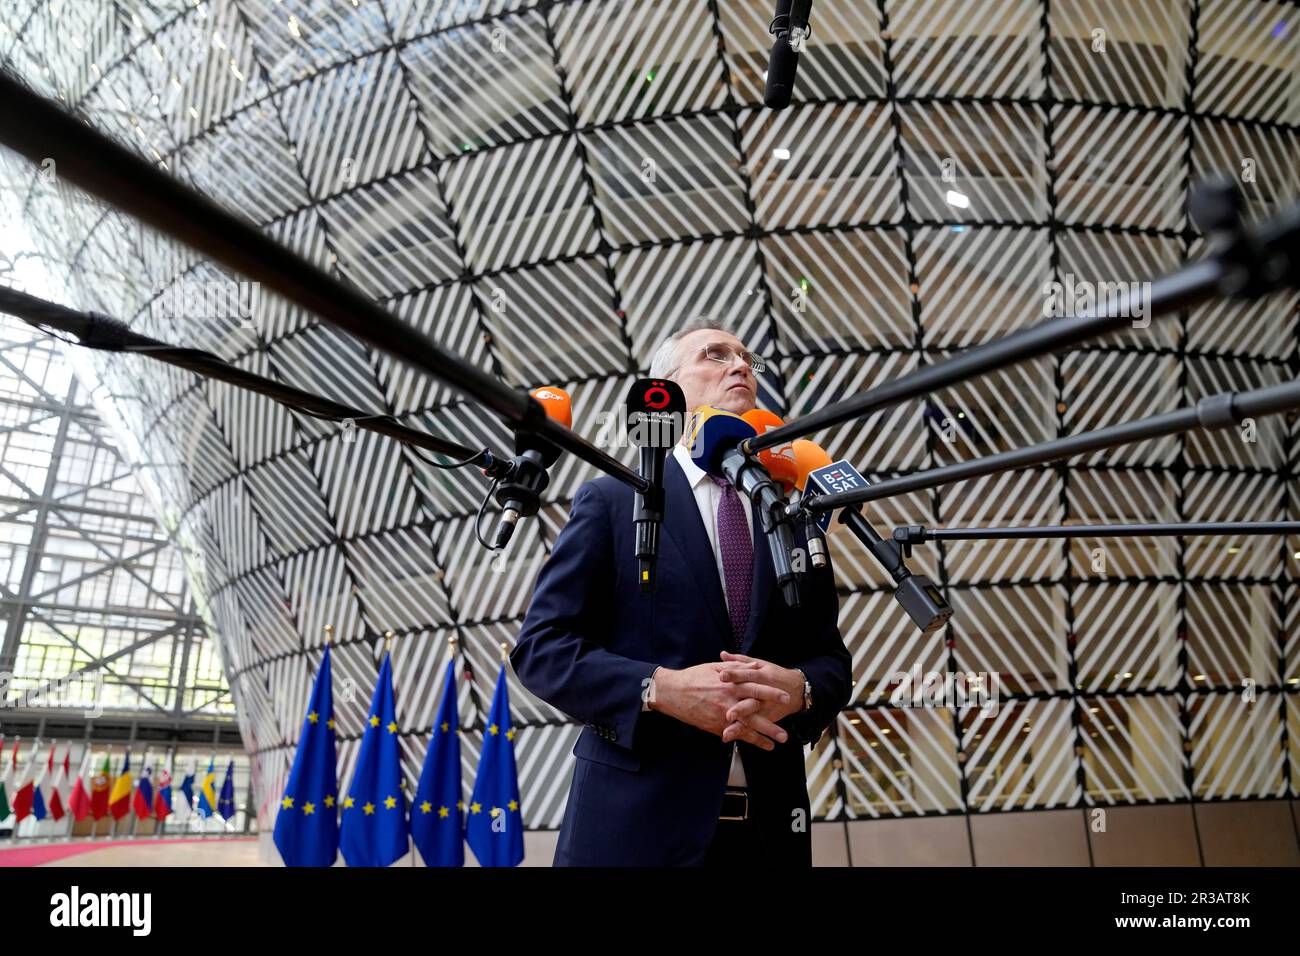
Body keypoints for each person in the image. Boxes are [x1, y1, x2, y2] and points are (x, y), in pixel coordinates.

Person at [511, 320, 852, 865]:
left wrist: (801, 688)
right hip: (633, 834)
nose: (741, 365)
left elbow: (831, 660)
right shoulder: (612, 503)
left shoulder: (791, 511)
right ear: (666, 392)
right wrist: (657, 688)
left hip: (767, 838)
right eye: (715, 356)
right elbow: (542, 649)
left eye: (746, 358)